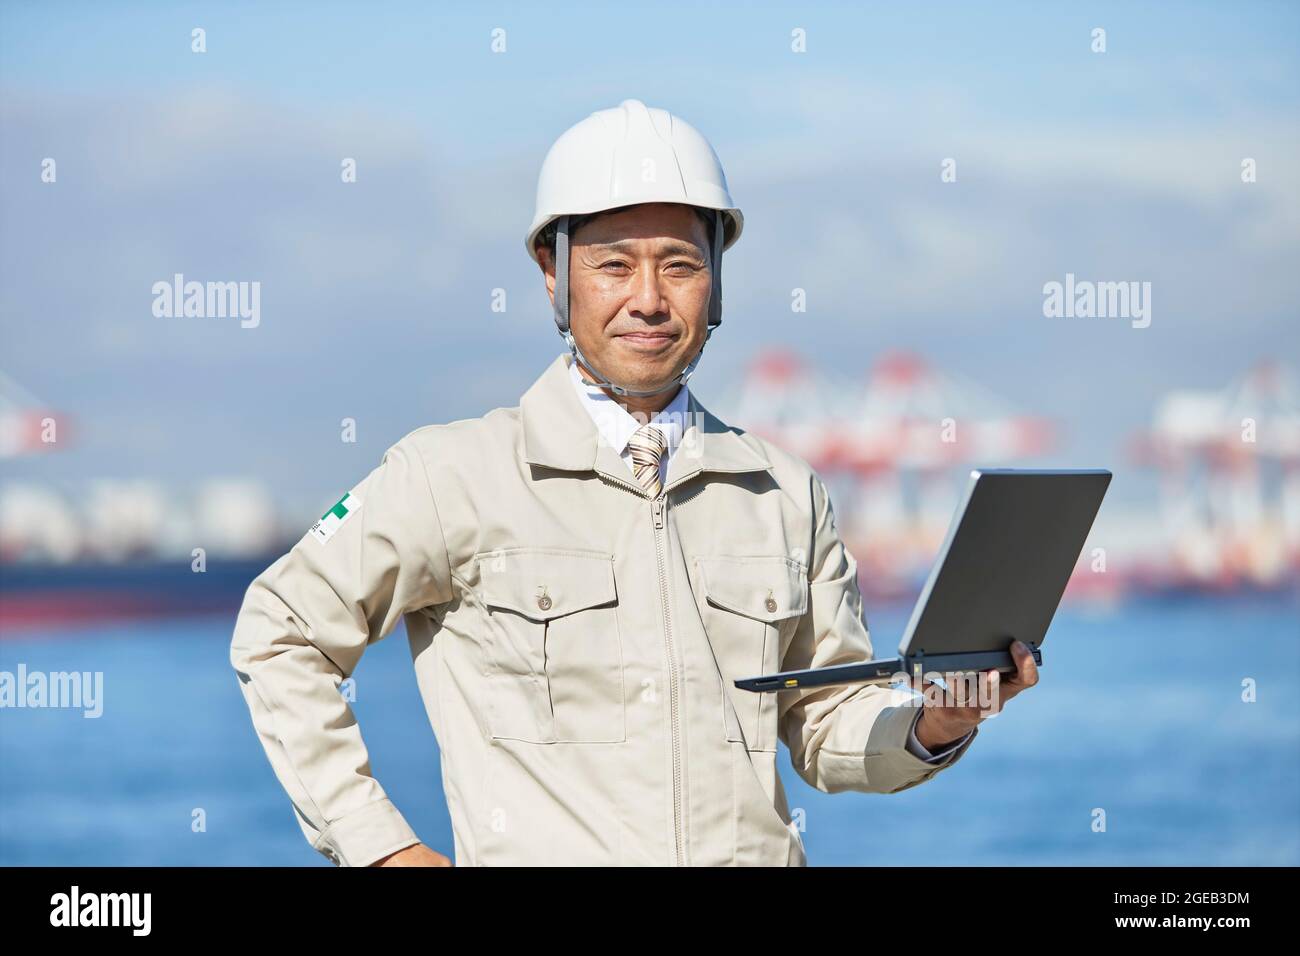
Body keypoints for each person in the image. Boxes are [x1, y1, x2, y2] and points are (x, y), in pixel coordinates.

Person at [229, 98, 1038, 867]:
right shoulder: (451, 475)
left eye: (679, 266)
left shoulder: (785, 495)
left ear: (716, 277)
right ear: (553, 270)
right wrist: (380, 846)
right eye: (613, 265)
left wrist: (937, 721)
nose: (647, 300)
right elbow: (279, 632)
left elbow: (824, 726)